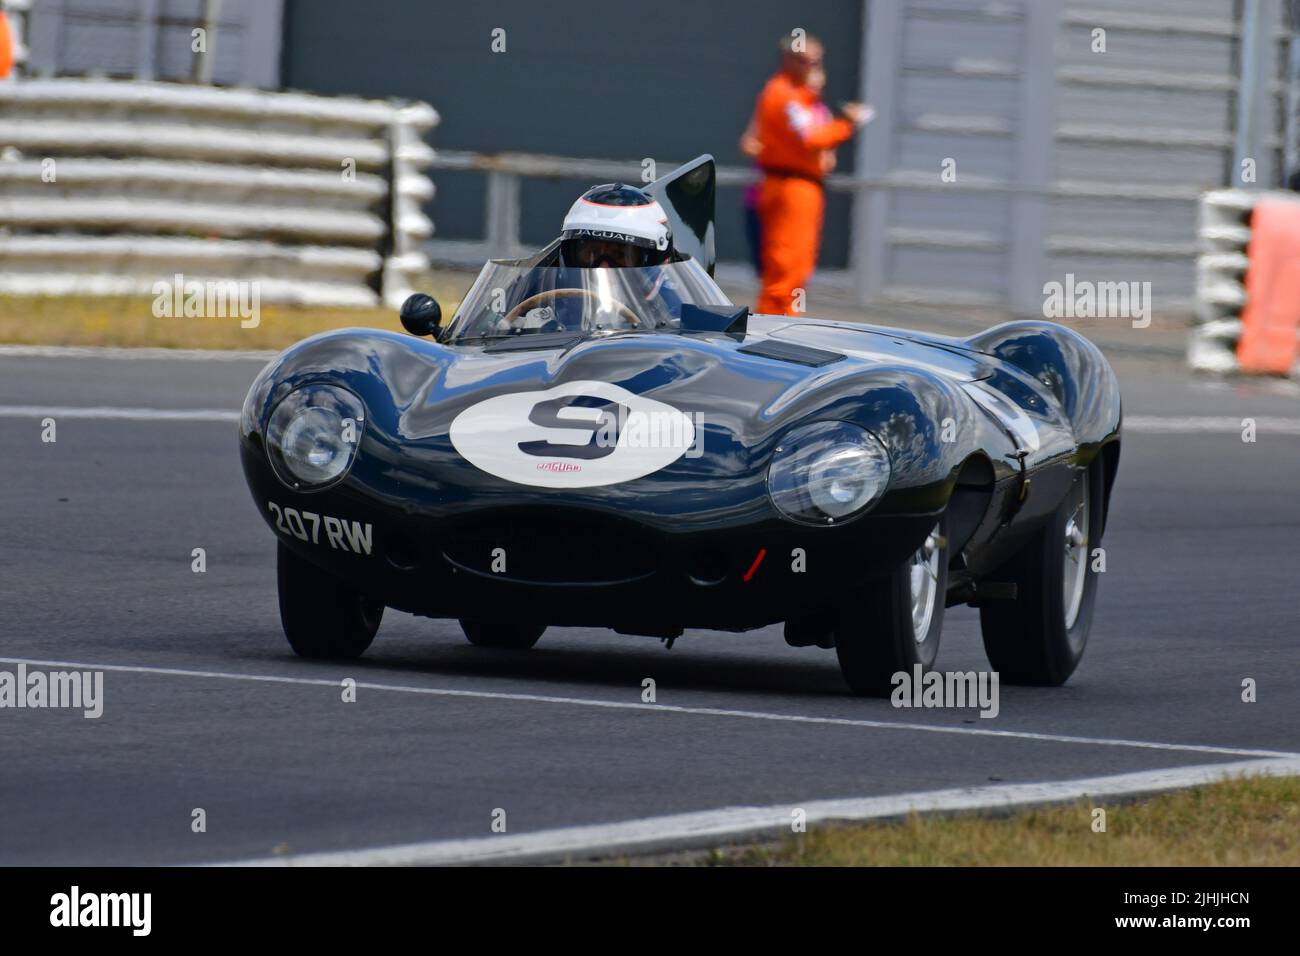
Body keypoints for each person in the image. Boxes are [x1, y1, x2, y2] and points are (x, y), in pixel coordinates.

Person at [749, 34, 872, 315]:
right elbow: (811, 138)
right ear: (789, 60)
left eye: (817, 61)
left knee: (798, 266)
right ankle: (772, 331)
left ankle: (786, 325)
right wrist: (847, 124)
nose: (814, 67)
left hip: (802, 186)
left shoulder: (799, 96)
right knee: (785, 266)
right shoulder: (783, 93)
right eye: (807, 61)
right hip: (790, 185)